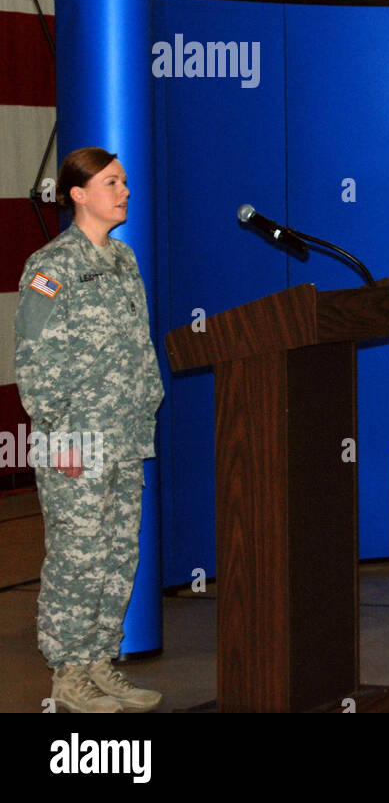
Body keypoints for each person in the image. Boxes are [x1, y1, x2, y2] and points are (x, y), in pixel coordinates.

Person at [14, 147, 165, 713]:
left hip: (125, 436)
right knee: (77, 557)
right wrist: (61, 438)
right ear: (77, 194)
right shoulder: (52, 267)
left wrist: (146, 405)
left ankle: (100, 663)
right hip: (76, 440)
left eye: (124, 181)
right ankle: (68, 677)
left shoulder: (124, 260)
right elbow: (34, 360)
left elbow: (137, 349)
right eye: (111, 182)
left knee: (117, 553)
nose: (124, 191)